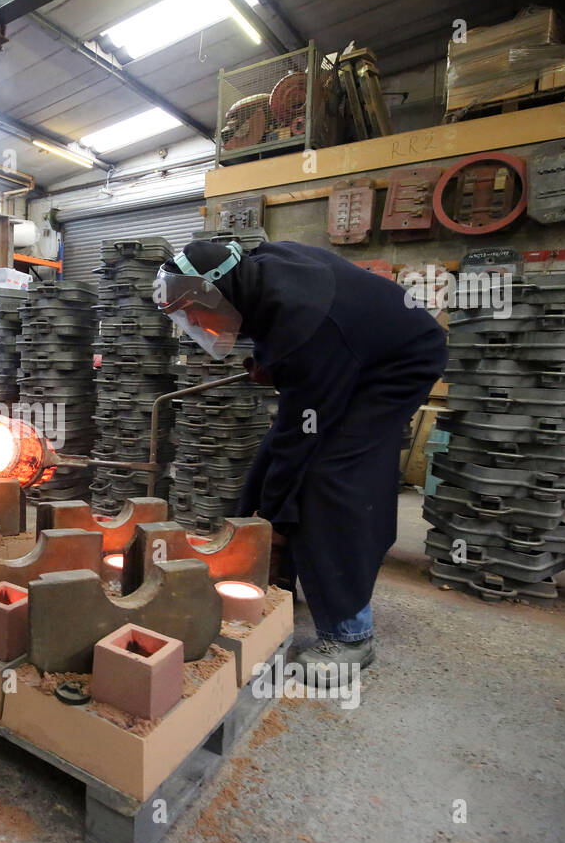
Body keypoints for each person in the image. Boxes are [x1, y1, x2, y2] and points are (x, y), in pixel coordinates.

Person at [156, 239, 447, 673]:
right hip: (349, 348)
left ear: (218, 290)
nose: (195, 321)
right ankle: (277, 582)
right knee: (272, 457)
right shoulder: (255, 275)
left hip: (398, 363)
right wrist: (271, 360)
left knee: (333, 479)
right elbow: (291, 354)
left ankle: (350, 634)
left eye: (196, 310)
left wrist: (273, 519)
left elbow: (303, 429)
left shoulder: (304, 325)